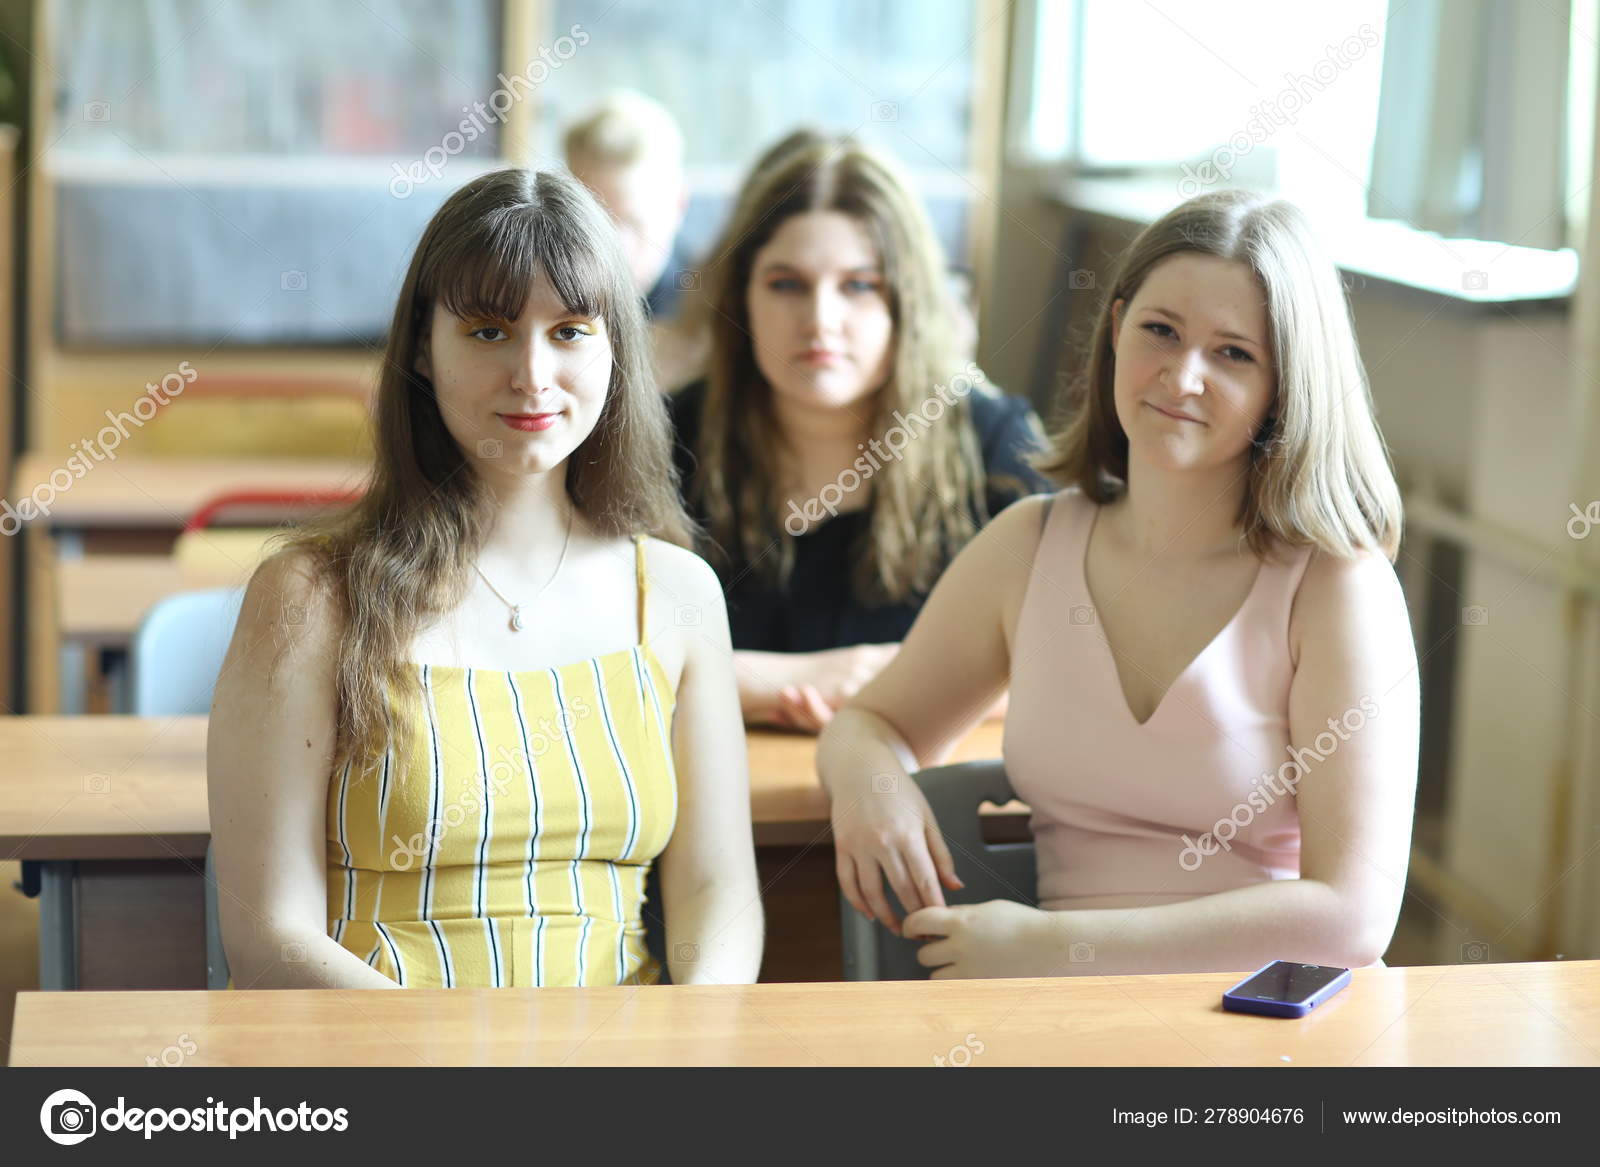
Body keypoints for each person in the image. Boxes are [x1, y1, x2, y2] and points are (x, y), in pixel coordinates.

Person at [817, 190, 1419, 979]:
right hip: (1061, 1022)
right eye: (1160, 330)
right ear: (1115, 328)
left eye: (1233, 353)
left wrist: (1056, 948)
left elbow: (1353, 918)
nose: (1183, 376)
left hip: (1268, 1020)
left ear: (1287, 384)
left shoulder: (1337, 585)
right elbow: (871, 722)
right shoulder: (1028, 544)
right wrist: (869, 784)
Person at [209, 168, 762, 990]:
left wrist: (694, 1032)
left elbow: (719, 894)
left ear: (617, 349)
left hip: (626, 1052)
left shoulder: (679, 593)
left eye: (570, 331)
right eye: (489, 330)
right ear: (421, 350)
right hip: (380, 1051)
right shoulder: (309, 596)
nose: (532, 374)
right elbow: (268, 937)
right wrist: (456, 1054)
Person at [668, 133, 1049, 732]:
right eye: (786, 284)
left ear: (907, 301)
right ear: (741, 298)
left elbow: (1072, 658)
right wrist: (799, 678)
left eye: (860, 285)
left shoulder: (995, 442)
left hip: (924, 778)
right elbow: (603, 656)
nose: (821, 320)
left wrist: (883, 686)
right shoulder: (668, 438)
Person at [563, 90, 691, 320]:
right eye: (595, 223)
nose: (617, 248)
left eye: (634, 224)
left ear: (679, 205)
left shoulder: (715, 310)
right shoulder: (549, 293)